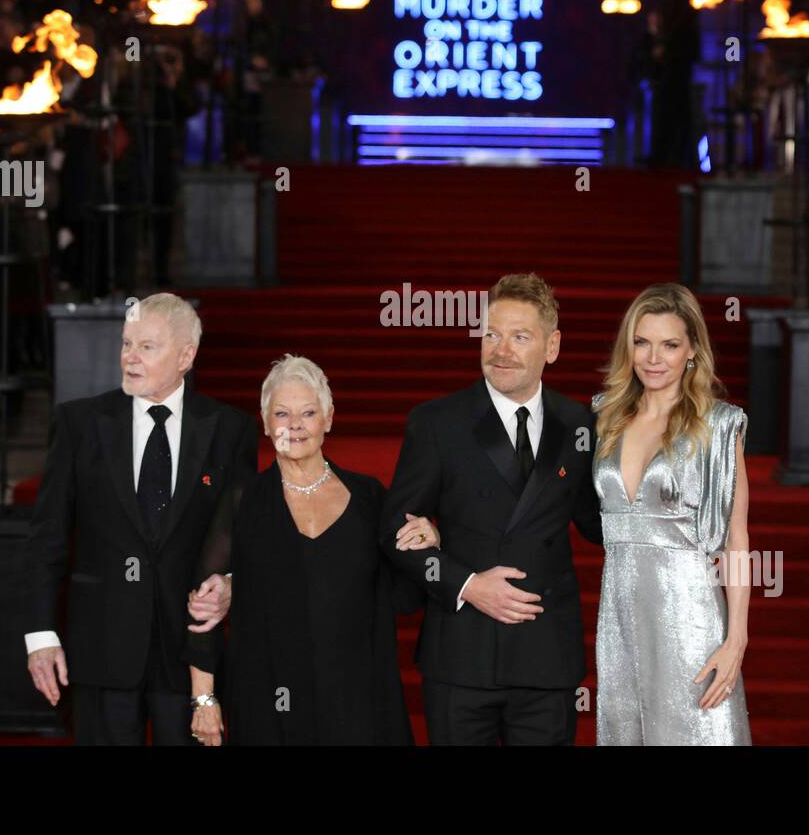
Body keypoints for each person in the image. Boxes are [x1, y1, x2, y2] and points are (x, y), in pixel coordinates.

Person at [377, 273, 603, 745]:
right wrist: (467, 584)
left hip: (546, 656)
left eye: (520, 337)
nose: (501, 350)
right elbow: (394, 534)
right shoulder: (438, 422)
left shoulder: (580, 424)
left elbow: (599, 525)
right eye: (491, 334)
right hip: (461, 652)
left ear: (552, 345)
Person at [23, 292, 258, 745]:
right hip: (100, 648)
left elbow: (242, 534)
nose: (130, 358)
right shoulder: (80, 423)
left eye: (147, 347)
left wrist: (229, 584)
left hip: (189, 653)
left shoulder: (230, 431)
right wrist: (40, 634)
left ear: (186, 355)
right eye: (126, 344)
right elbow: (47, 537)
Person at [185, 355, 427, 745]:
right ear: (265, 423)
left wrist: (427, 540)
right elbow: (202, 606)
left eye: (308, 412)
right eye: (281, 414)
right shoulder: (242, 501)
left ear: (328, 418)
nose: (294, 426)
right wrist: (204, 698)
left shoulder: (370, 498)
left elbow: (405, 595)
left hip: (358, 697)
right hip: (267, 697)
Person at [591, 283, 752, 745]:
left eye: (669, 344)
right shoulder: (605, 417)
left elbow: (736, 539)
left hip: (692, 617)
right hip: (619, 619)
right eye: (642, 342)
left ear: (692, 352)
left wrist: (735, 639)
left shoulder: (719, 426)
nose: (653, 358)